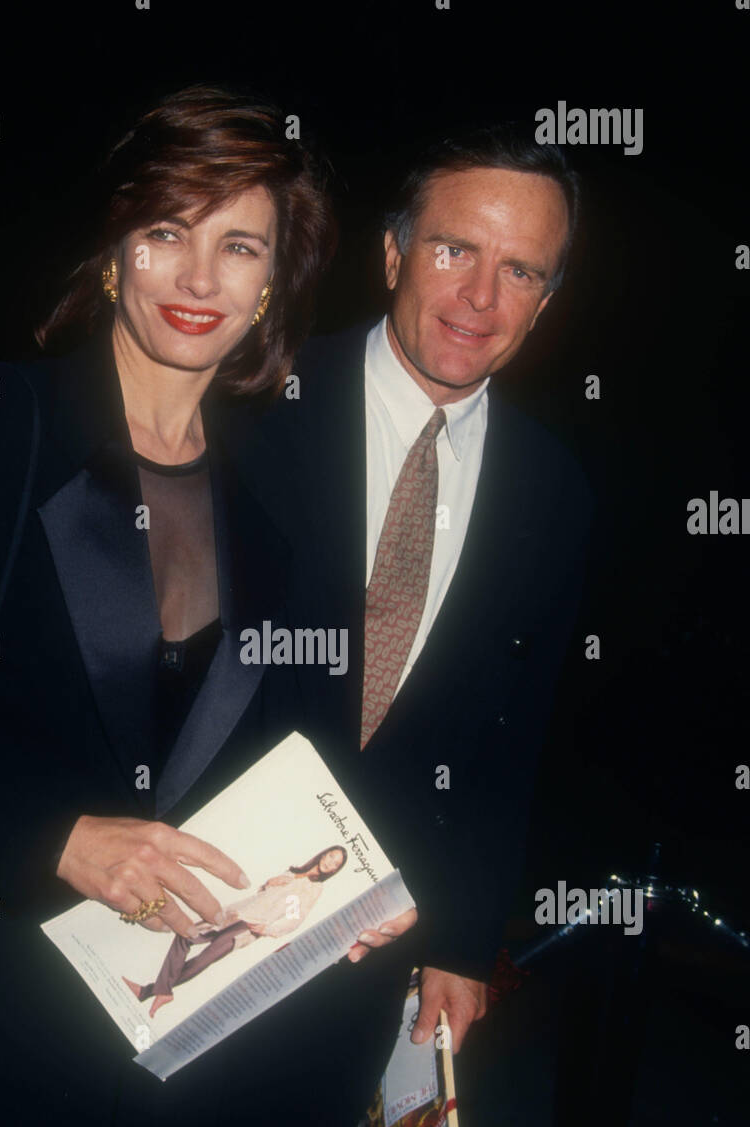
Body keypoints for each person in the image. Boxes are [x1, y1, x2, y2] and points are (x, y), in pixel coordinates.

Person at [0, 86, 415, 1127]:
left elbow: (302, 742)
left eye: (239, 242)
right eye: (166, 227)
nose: (197, 272)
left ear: (274, 281)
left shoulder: (292, 497)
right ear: (113, 246)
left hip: (187, 1049)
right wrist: (55, 836)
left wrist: (361, 879)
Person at [237, 124, 594, 1056]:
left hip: (376, 954)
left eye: (521, 272)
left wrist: (467, 942)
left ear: (547, 303)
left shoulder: (557, 493)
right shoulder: (246, 398)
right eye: (454, 250)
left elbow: (512, 741)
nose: (481, 297)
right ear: (393, 252)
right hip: (189, 903)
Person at [124, 845, 347, 1012]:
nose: (330, 862)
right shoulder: (294, 871)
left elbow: (294, 917)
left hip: (248, 927)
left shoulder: (312, 889)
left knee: (205, 958)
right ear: (323, 854)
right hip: (236, 913)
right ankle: (159, 991)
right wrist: (269, 883)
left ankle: (150, 991)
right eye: (330, 856)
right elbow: (266, 897)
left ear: (335, 870)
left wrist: (268, 929)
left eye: (335, 863)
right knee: (186, 935)